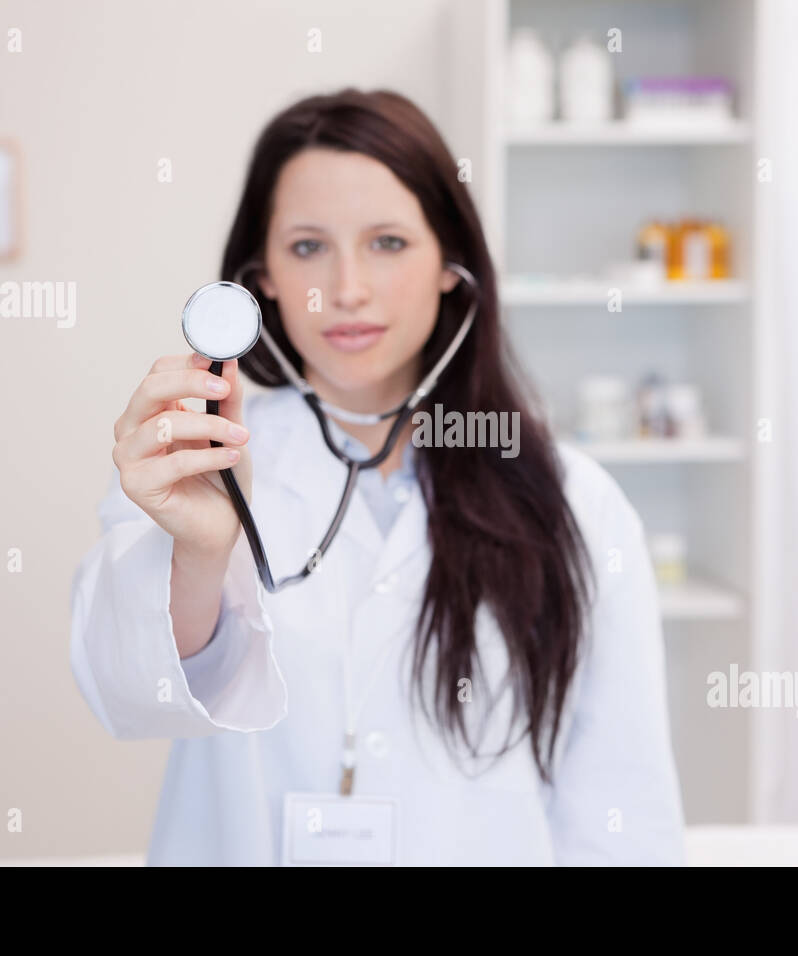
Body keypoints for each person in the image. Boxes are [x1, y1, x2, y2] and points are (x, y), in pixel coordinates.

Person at [69, 87, 687, 865]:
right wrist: (200, 553)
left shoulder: (575, 503)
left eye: (388, 242)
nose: (347, 288)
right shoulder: (197, 464)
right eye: (307, 247)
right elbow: (128, 695)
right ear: (260, 279)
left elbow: (620, 810)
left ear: (450, 268)